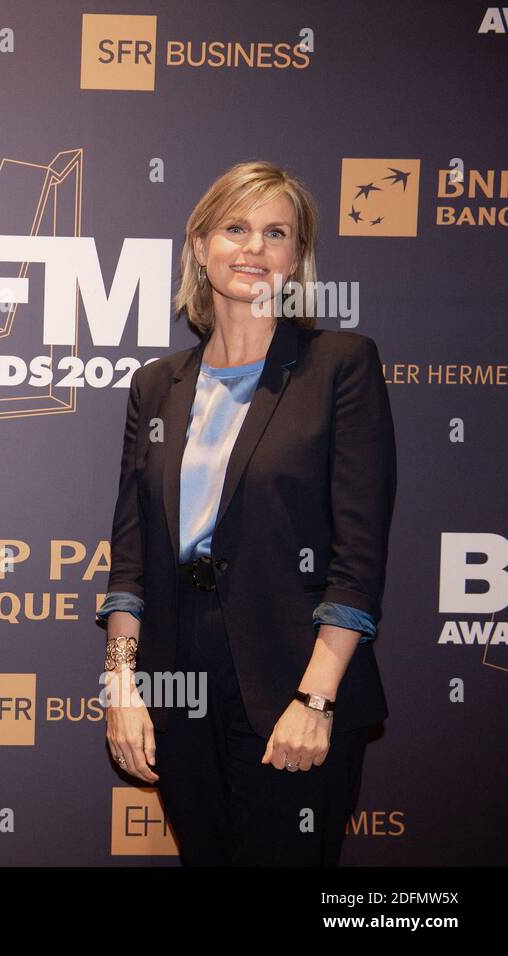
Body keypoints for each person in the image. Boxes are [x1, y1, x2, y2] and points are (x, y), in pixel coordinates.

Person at [97, 161, 396, 866]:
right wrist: (121, 686)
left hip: (295, 675)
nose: (253, 249)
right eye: (235, 228)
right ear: (200, 246)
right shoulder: (156, 387)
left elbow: (359, 557)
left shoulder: (339, 366)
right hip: (179, 674)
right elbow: (132, 552)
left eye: (275, 233)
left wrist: (317, 700)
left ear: (297, 258)